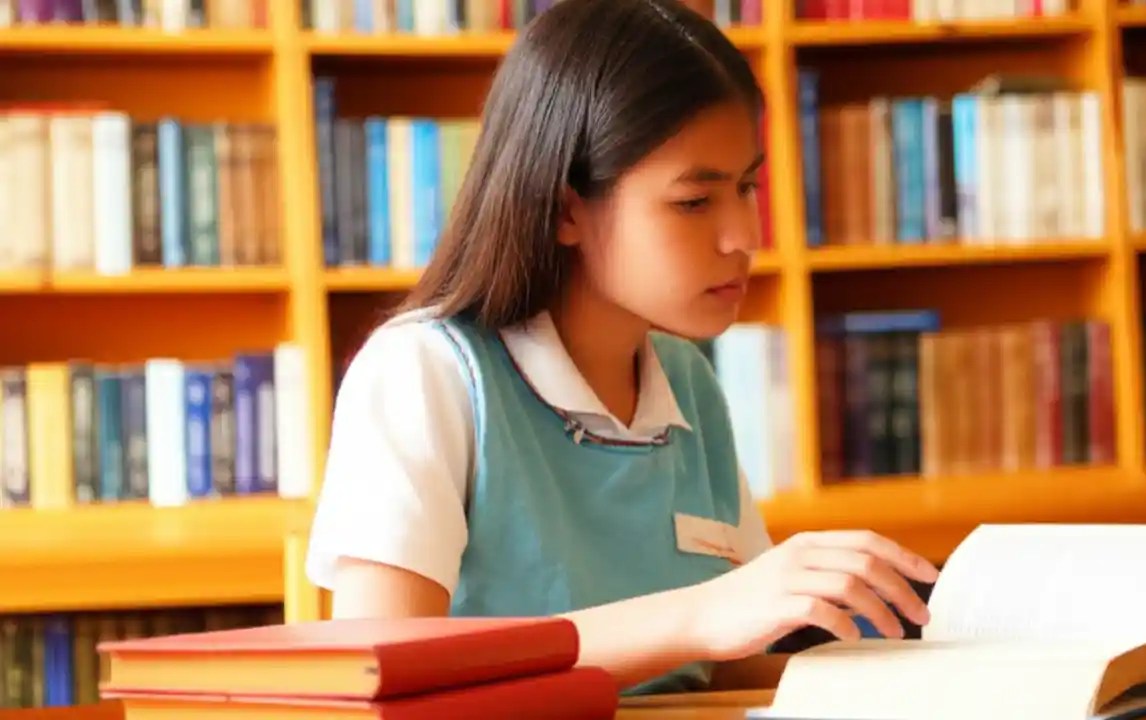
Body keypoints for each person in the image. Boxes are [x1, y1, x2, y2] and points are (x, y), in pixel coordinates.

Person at [305, 0, 940, 696]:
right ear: (565, 207)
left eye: (747, 187)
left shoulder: (686, 381)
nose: (743, 237)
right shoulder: (424, 373)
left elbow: (722, 660)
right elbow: (378, 670)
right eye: (694, 202)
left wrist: (932, 667)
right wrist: (697, 615)